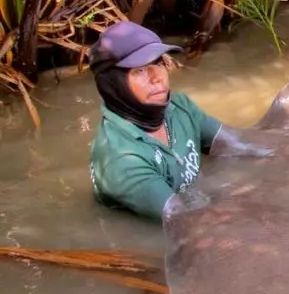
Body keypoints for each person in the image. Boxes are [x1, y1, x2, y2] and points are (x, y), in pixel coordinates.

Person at [88, 21, 272, 221]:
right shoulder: (121, 159)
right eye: (139, 70)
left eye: (157, 63)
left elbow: (237, 144)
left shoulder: (178, 106)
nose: (156, 77)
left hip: (202, 201)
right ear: (114, 85)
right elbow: (185, 219)